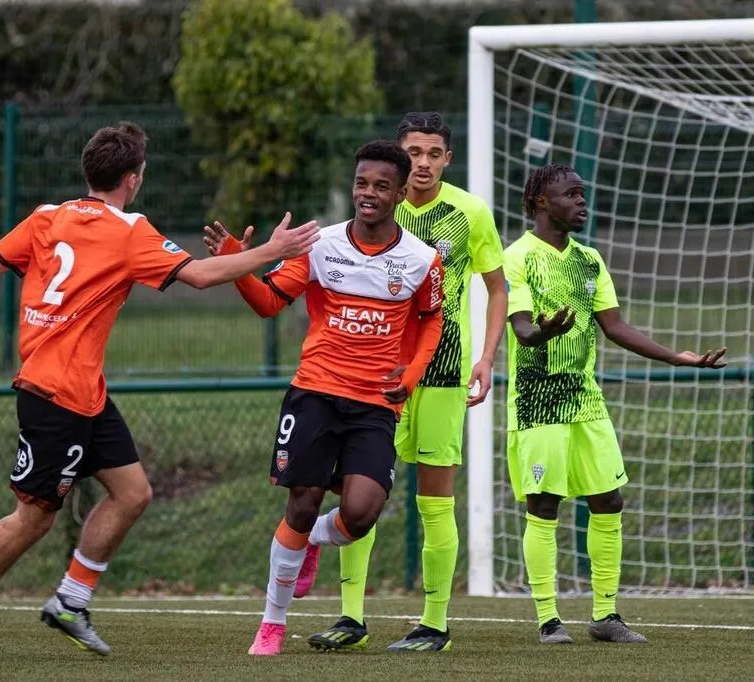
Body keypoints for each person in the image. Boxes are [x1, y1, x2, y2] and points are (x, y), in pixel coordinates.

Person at [0, 121, 320, 662]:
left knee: (132, 493)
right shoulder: (129, 231)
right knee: (33, 517)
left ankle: (70, 601)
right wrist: (271, 250)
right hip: (53, 394)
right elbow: (200, 276)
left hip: (86, 394)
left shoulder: (45, 217)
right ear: (133, 178)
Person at [204, 139, 445, 656]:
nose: (369, 194)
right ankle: (272, 623)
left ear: (402, 193)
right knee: (302, 498)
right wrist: (239, 265)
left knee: (360, 515)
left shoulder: (423, 259)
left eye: (382, 186)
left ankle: (314, 537)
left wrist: (414, 372)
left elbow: (430, 319)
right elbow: (269, 303)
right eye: (362, 183)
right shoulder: (319, 244)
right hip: (314, 391)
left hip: (377, 403)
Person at [300, 111, 509, 653]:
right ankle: (351, 618)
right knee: (354, 493)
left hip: (441, 374)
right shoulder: (378, 208)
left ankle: (434, 623)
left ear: (447, 158)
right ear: (399, 154)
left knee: (435, 501)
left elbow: (497, 287)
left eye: (433, 153)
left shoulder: (470, 213)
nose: (423, 163)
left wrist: (486, 357)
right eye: (413, 152)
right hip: (374, 379)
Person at [505, 163, 727, 644]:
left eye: (582, 194)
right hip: (537, 400)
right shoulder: (517, 257)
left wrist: (677, 357)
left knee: (609, 500)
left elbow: (615, 326)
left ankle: (605, 615)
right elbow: (522, 329)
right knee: (545, 505)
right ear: (542, 201)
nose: (582, 202)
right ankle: (548, 620)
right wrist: (546, 332)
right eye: (571, 194)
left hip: (585, 399)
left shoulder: (589, 260)